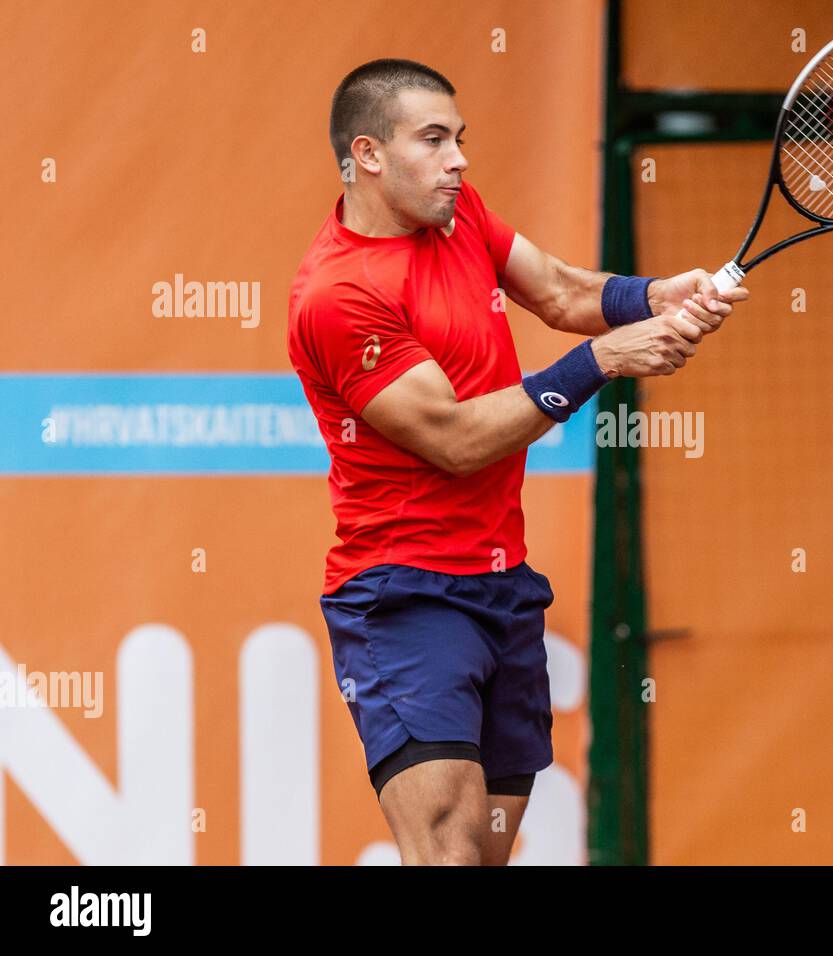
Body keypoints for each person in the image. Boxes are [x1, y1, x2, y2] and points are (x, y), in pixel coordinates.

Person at [286, 58, 748, 865]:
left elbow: (565, 290)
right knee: (448, 853)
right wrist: (603, 361)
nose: (459, 159)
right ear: (368, 154)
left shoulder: (460, 218)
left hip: (502, 586)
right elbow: (457, 439)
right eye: (433, 140)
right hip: (403, 595)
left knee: (486, 857)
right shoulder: (339, 295)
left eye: (460, 139)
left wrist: (660, 296)